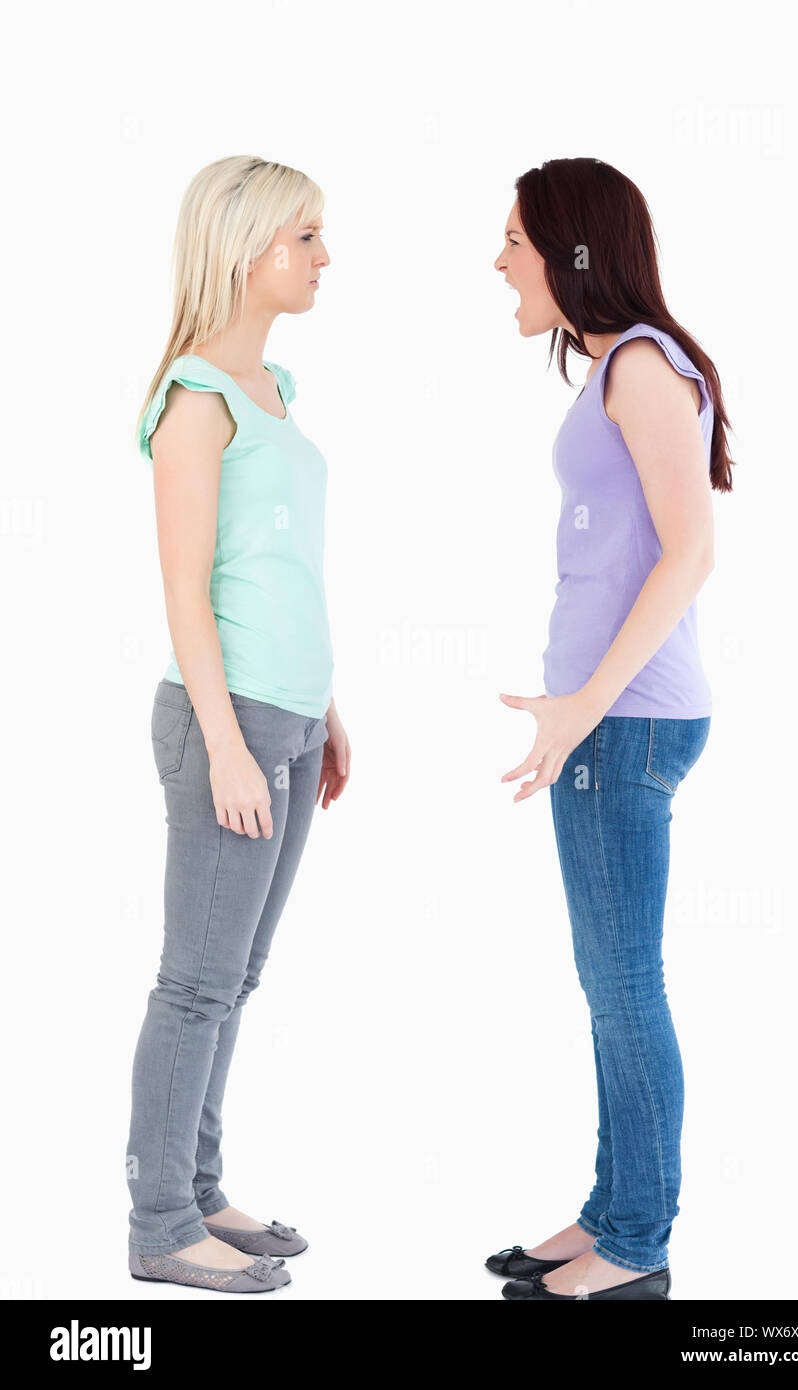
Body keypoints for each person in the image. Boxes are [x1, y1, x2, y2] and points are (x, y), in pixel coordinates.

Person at [487, 157, 734, 1302]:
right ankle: (608, 1209)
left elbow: (691, 552)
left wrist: (582, 704)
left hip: (624, 724)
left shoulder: (638, 366)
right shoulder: (617, 369)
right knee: (609, 979)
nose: (500, 263)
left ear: (572, 254)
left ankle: (636, 1242)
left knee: (626, 981)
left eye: (517, 243)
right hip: (613, 722)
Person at [125, 155, 351, 1294]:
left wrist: (327, 710)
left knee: (236, 975)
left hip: (288, 720)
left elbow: (279, 571)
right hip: (228, 722)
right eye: (303, 238)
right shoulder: (195, 398)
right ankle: (162, 1223)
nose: (321, 257)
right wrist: (223, 741)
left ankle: (203, 1192)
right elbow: (186, 592)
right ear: (245, 249)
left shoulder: (276, 393)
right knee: (196, 983)